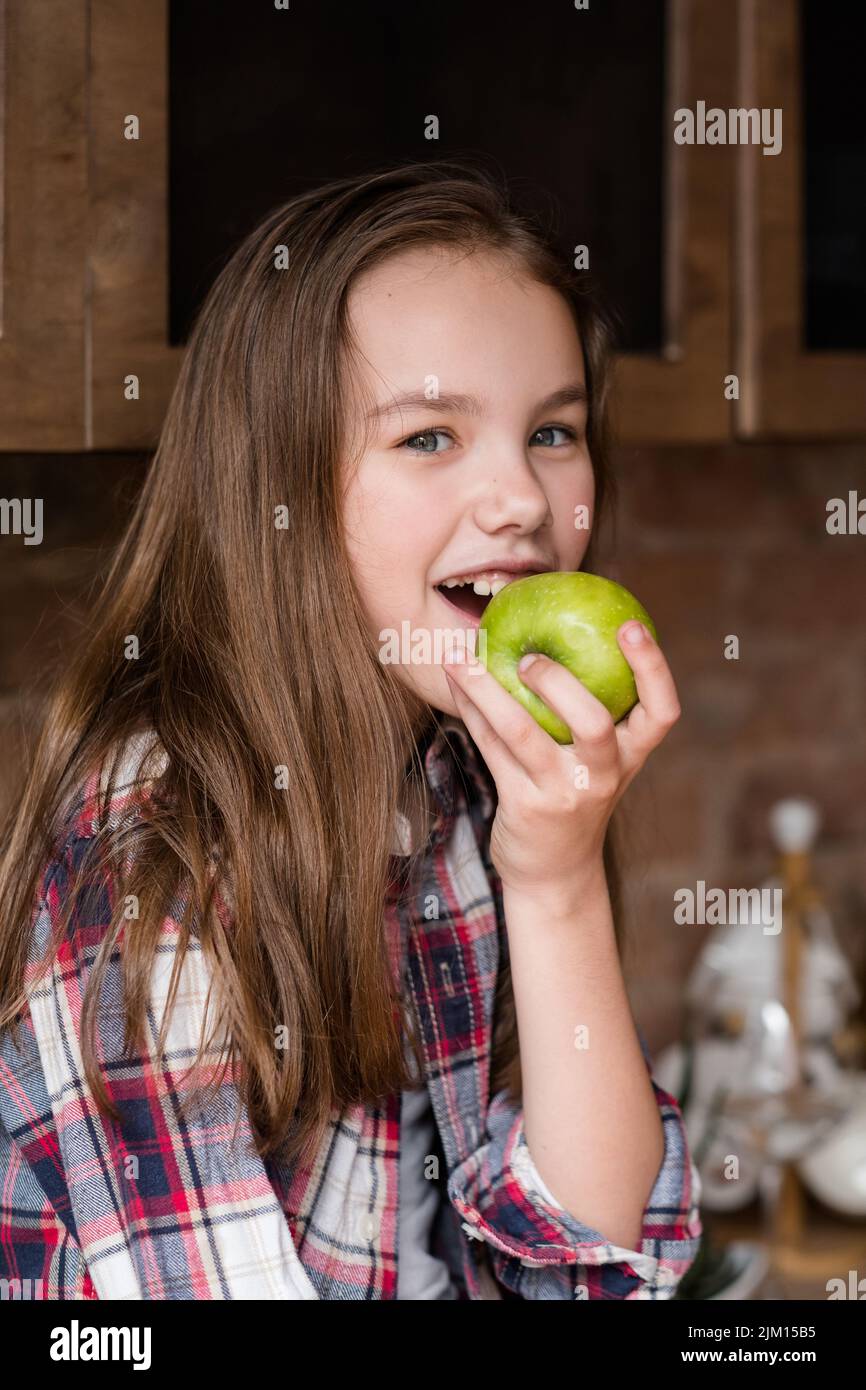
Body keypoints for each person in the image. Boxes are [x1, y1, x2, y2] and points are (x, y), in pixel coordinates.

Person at [0, 158, 701, 1300]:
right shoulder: (156, 857)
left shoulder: (462, 779)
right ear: (274, 484)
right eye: (429, 436)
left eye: (553, 432)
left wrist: (557, 881)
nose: (519, 499)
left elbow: (588, 1272)